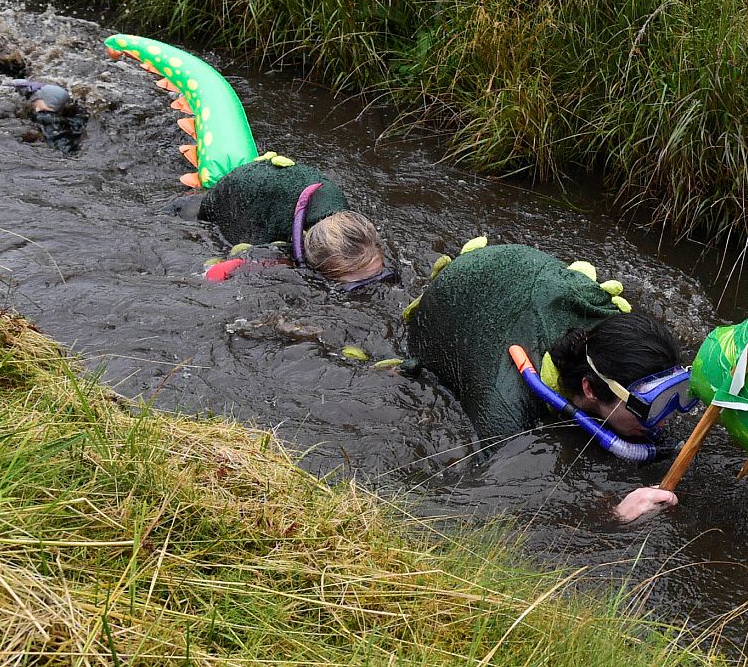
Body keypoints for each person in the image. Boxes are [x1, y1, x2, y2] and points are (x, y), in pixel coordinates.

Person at [405, 241, 685, 455]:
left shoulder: (625, 339)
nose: (661, 423)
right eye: (648, 407)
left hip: (536, 287)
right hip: (458, 297)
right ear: (589, 389)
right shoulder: (508, 406)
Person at [182, 151, 396, 290]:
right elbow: (219, 271)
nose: (372, 287)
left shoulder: (347, 224)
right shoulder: (287, 257)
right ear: (314, 269)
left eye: (383, 276)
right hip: (240, 193)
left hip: (292, 196)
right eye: (354, 287)